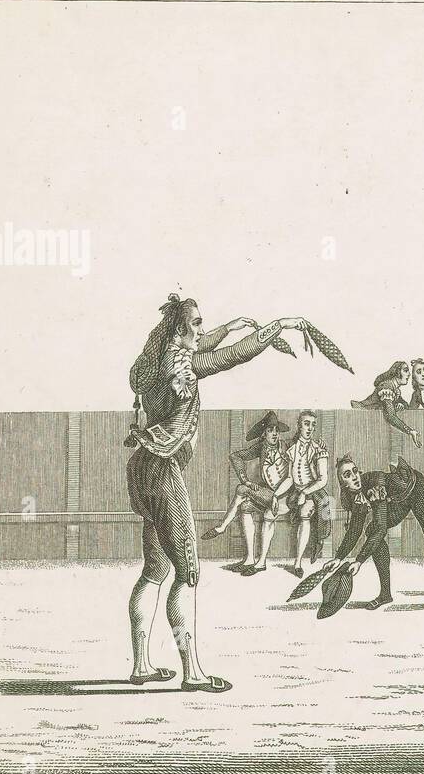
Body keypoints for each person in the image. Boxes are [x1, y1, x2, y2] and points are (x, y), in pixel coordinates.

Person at [124, 293, 307, 692]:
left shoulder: (152, 359)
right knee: (188, 574)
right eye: (195, 323)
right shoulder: (182, 369)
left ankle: (140, 665)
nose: (201, 330)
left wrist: (229, 326)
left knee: (155, 569)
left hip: (141, 466)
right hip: (164, 471)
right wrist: (279, 325)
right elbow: (231, 356)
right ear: (178, 328)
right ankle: (192, 672)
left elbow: (203, 344)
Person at [321, 455, 424, 611]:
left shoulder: (374, 483)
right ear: (343, 483)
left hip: (416, 488)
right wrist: (339, 557)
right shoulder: (352, 496)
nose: (355, 476)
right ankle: (385, 594)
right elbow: (355, 530)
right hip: (398, 501)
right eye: (348, 475)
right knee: (371, 531)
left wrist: (359, 561)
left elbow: (381, 527)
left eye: (355, 471)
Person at [200, 410, 292, 576]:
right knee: (245, 507)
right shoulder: (261, 447)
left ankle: (222, 527)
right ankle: (250, 559)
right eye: (270, 430)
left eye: (276, 430)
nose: (274, 433)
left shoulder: (287, 446)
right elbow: (235, 456)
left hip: (284, 496)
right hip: (268, 494)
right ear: (264, 433)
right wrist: (246, 479)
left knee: (241, 490)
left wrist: (247, 485)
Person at [284, 410, 331, 578]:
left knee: (305, 513)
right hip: (295, 491)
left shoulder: (319, 450)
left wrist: (305, 492)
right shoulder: (292, 450)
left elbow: (323, 480)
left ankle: (297, 563)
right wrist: (276, 495)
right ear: (299, 425)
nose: (310, 428)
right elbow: (290, 477)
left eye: (313, 425)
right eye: (306, 423)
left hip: (314, 493)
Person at [351, 361, 422, 448]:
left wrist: (400, 405)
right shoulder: (386, 387)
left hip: (375, 420)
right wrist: (410, 431)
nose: (409, 374)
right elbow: (390, 416)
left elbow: (406, 405)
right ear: (397, 372)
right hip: (363, 416)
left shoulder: (395, 389)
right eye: (406, 370)